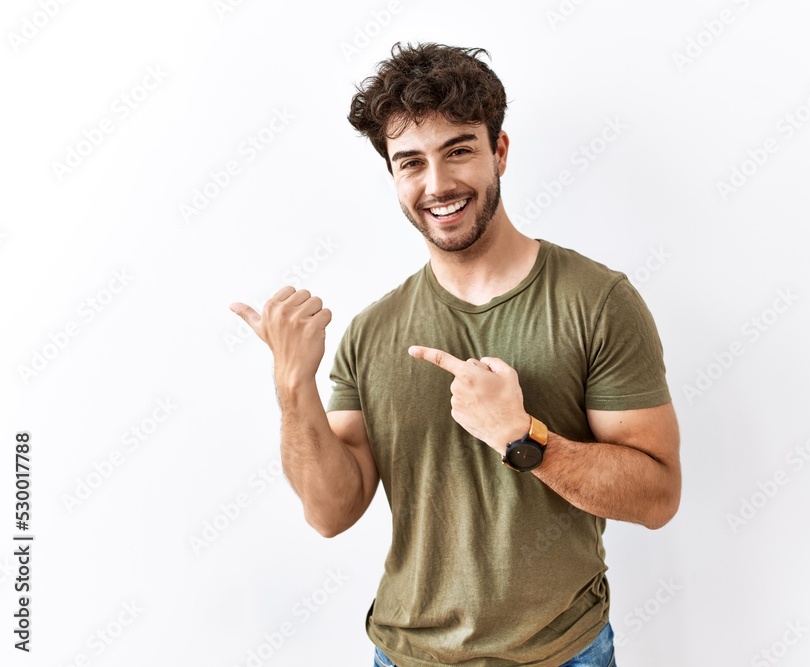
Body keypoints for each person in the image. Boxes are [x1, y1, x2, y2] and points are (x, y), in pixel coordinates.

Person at [230, 41, 681, 667]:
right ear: (393, 174)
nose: (437, 185)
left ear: (499, 151)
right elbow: (330, 512)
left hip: (562, 654)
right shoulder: (372, 331)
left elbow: (657, 496)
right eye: (410, 162)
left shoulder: (597, 301)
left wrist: (523, 438)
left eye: (459, 150)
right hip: (406, 653)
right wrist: (292, 384)